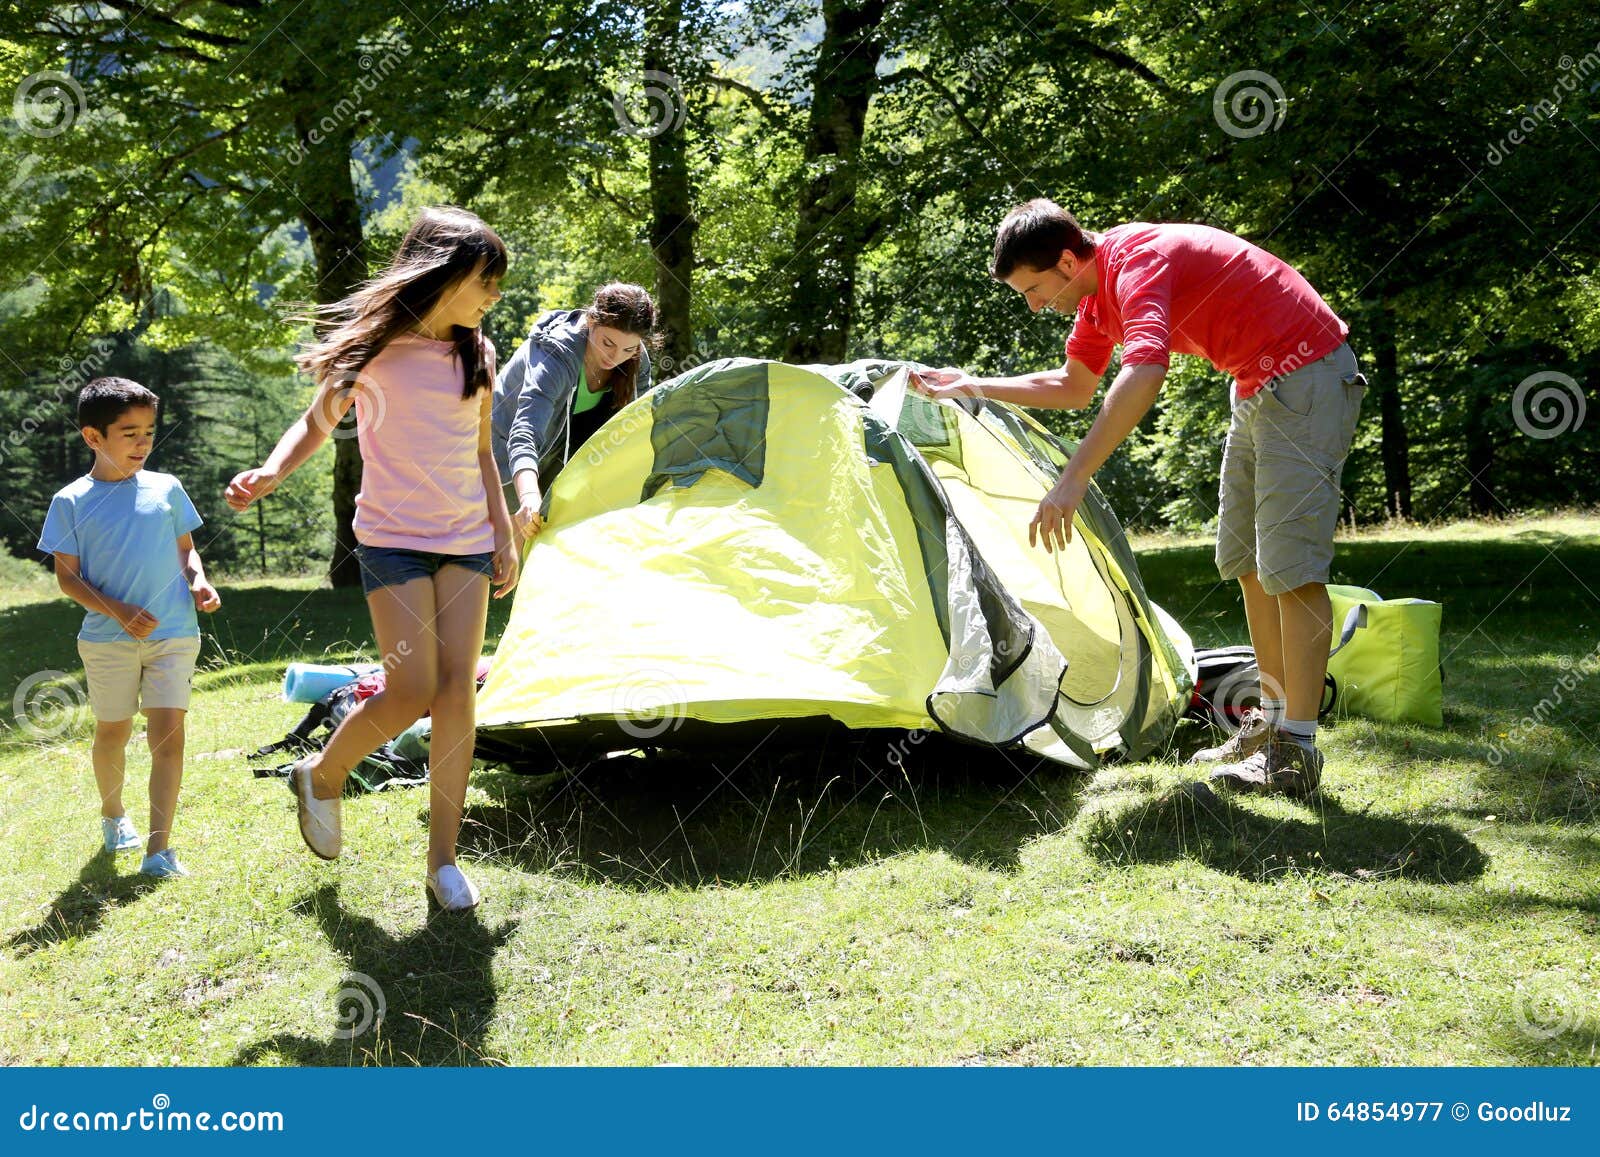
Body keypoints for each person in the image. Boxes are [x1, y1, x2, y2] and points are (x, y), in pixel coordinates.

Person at [914, 199, 1364, 799]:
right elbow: (1074, 386)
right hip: (1257, 387)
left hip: (1307, 376)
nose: (1035, 304)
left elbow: (1145, 372)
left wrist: (1073, 478)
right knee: (1249, 566)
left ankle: (1296, 750)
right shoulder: (1096, 299)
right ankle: (1269, 726)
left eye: (1036, 288)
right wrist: (970, 385)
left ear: (1070, 259)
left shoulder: (1136, 262)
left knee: (1292, 571)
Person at [225, 206, 518, 911]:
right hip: (392, 536)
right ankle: (323, 776)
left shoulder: (477, 352)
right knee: (411, 686)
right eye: (487, 279)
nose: (494, 296)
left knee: (457, 693)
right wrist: (270, 472)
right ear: (444, 274)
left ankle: (442, 861)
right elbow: (316, 421)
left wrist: (503, 530)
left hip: (468, 539)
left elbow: (482, 452)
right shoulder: (374, 351)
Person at [38, 376, 222, 878]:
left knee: (169, 737)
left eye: (148, 432)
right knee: (113, 733)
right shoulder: (70, 501)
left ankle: (159, 850)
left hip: (174, 634)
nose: (143, 443)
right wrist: (119, 611)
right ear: (93, 437)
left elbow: (187, 550)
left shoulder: (167, 488)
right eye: (129, 432)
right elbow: (68, 580)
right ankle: (114, 816)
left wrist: (199, 581)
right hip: (107, 640)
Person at [491, 282, 656, 541]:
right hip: (504, 455)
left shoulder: (637, 359)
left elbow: (636, 430)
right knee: (508, 548)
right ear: (591, 321)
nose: (615, 357)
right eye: (607, 342)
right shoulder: (557, 353)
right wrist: (530, 497)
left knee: (556, 541)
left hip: (566, 454)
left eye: (628, 349)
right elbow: (524, 432)